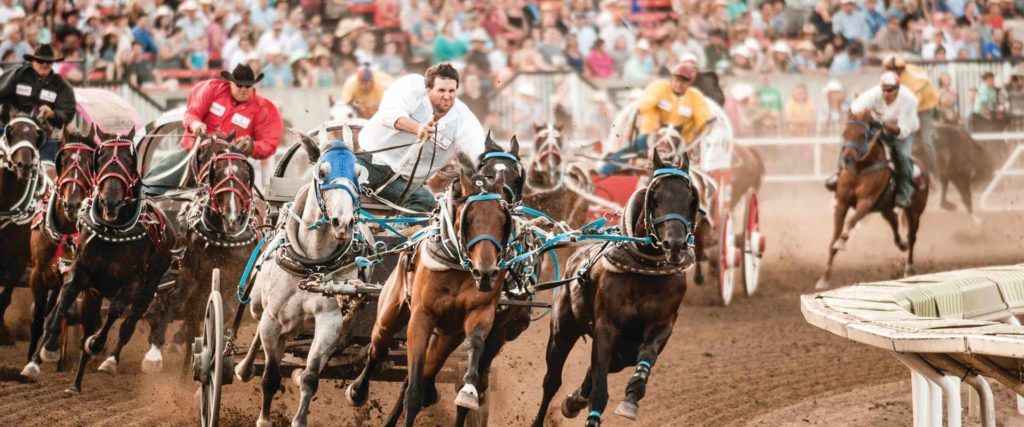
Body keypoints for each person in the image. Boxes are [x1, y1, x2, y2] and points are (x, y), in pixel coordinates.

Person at [357, 63, 486, 213]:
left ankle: (402, 233)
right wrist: (417, 128)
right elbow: (388, 114)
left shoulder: (464, 118)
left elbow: (476, 151)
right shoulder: (412, 86)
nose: (447, 96)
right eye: (441, 90)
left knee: (426, 202)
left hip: (404, 184)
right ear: (428, 90)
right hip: (369, 162)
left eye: (452, 91)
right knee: (337, 168)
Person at [143, 64, 283, 193]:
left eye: (247, 86)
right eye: (239, 85)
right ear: (230, 83)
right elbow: (192, 113)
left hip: (232, 161)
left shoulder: (264, 108)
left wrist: (251, 146)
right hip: (196, 155)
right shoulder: (211, 89)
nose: (243, 90)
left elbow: (269, 143)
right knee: (155, 182)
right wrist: (195, 124)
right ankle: (143, 200)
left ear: (253, 86)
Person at [597, 61, 711, 175]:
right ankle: (604, 169)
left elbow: (703, 120)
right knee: (634, 147)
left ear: (689, 83)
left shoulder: (695, 97)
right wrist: (656, 99)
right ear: (672, 79)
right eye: (677, 80)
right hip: (653, 134)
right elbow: (642, 107)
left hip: (679, 139)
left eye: (684, 81)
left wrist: (704, 127)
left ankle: (690, 184)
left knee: (688, 160)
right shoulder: (659, 87)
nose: (679, 84)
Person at [826, 72, 919, 208]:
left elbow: (902, 131)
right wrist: (862, 120)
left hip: (904, 131)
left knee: (903, 156)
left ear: (897, 89)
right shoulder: (873, 94)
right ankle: (839, 176)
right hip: (878, 126)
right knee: (851, 143)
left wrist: (882, 124)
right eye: (884, 89)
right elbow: (855, 108)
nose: (886, 92)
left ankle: (904, 191)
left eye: (890, 89)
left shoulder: (908, 99)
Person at [0, 44, 76, 165]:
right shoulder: (18, 75)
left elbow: (68, 111)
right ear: (32, 61)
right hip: (13, 129)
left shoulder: (61, 85)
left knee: (48, 167)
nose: (44, 64)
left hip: (44, 133)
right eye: (40, 61)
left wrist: (53, 114)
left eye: (49, 62)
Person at [883, 54, 939, 175]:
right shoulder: (891, 79)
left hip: (924, 107)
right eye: (889, 69)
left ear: (900, 69)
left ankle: (935, 172)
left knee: (926, 141)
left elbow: (914, 105)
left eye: (894, 70)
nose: (891, 72)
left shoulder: (912, 82)